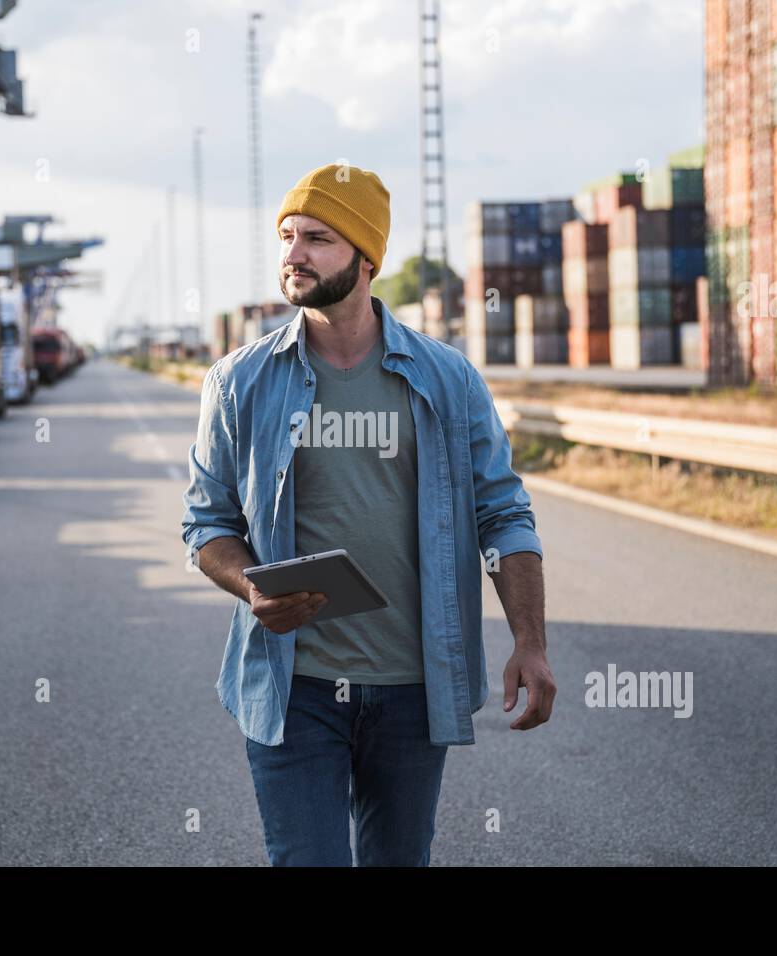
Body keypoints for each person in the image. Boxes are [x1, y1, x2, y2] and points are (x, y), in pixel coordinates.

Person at [181, 162, 555, 866]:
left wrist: (530, 642)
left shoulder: (447, 379)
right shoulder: (239, 382)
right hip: (295, 690)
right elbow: (207, 525)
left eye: (317, 238)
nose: (293, 255)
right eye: (287, 237)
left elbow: (503, 516)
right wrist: (252, 584)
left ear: (367, 256)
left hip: (413, 689)